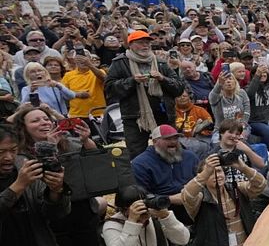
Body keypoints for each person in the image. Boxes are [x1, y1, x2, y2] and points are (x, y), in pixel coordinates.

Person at [12, 102, 106, 246]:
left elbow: (95, 163)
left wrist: (85, 139)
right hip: (52, 219)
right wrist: (48, 149)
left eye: (45, 118)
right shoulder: (20, 155)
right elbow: (38, 182)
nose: (43, 122)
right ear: (24, 128)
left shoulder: (67, 142)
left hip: (82, 211)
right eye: (35, 120)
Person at [181, 153, 265, 246]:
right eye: (211, 173)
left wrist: (243, 167)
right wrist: (206, 171)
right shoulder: (201, 198)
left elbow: (261, 185)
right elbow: (187, 195)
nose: (217, 175)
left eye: (219, 171)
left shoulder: (236, 190)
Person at [105, 30, 186, 159]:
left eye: (148, 43)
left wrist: (162, 79)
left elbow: (179, 88)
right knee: (137, 155)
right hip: (135, 118)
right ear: (130, 45)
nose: (145, 46)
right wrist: (132, 81)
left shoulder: (160, 62)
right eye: (141, 43)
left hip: (163, 115)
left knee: (170, 151)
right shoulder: (120, 62)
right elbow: (110, 89)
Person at [132, 125, 201, 211]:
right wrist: (170, 199)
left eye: (175, 138)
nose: (173, 142)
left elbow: (202, 180)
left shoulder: (190, 157)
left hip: (195, 204)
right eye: (167, 139)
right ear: (154, 141)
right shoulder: (141, 163)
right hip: (162, 209)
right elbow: (142, 196)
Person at [62, 51, 107, 118]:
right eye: (79, 57)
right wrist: (77, 94)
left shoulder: (99, 72)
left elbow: (104, 78)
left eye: (85, 56)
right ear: (74, 60)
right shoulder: (68, 75)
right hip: (76, 114)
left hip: (98, 113)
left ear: (90, 59)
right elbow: (64, 93)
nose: (82, 59)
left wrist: (90, 65)